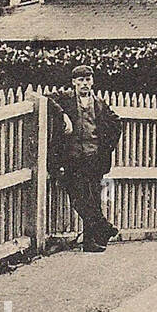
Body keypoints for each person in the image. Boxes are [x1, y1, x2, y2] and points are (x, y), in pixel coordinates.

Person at [48, 65, 122, 252]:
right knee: (79, 198)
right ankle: (103, 227)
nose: (84, 84)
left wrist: (107, 146)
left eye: (88, 79)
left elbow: (116, 123)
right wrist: (63, 115)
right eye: (80, 80)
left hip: (94, 157)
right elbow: (45, 98)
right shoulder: (66, 99)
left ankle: (90, 242)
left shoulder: (100, 104)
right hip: (72, 157)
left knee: (93, 199)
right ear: (74, 82)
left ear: (92, 81)